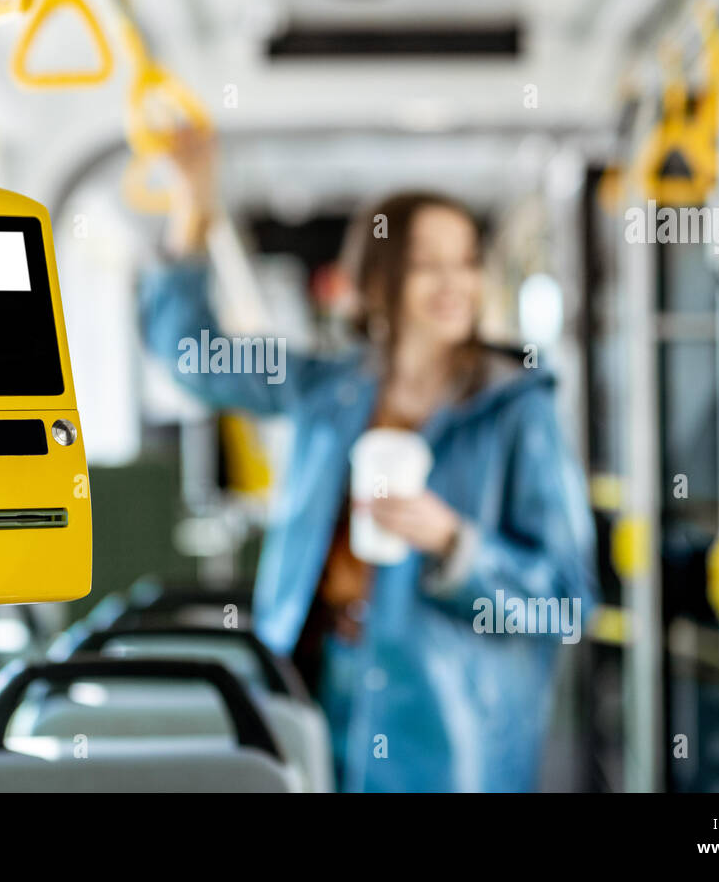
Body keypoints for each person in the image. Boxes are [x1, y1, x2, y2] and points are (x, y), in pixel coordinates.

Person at [138, 129, 597, 791]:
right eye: (426, 264)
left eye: (466, 261)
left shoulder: (518, 410)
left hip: (446, 726)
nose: (454, 283)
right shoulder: (330, 388)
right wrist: (191, 207)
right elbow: (195, 359)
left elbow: (566, 602)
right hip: (311, 690)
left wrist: (455, 544)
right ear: (379, 279)